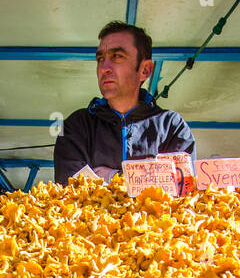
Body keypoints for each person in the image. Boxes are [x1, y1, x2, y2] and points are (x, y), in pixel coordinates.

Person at [53, 22, 195, 184]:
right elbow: (69, 187)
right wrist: (151, 178)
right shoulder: (77, 126)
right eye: (100, 58)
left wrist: (110, 176)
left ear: (145, 70)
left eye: (117, 56)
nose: (104, 68)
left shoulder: (171, 126)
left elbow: (182, 187)